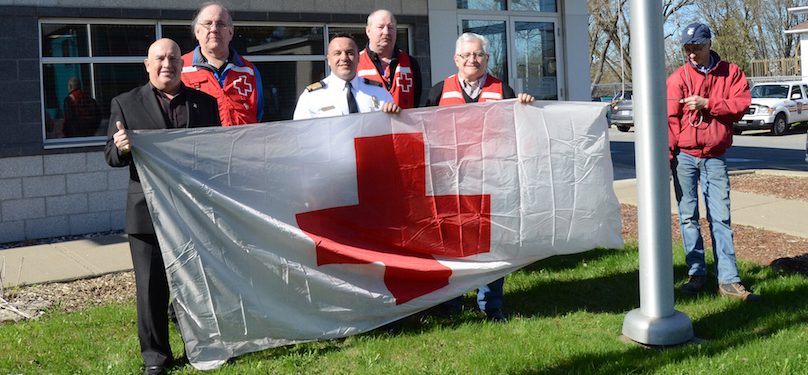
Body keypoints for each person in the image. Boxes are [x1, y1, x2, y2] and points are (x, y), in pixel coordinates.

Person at [105, 38, 221, 375]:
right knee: (150, 289)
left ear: (182, 64)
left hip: (191, 212)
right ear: (147, 64)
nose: (166, 64)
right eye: (159, 58)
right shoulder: (125, 103)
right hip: (146, 214)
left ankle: (204, 345)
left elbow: (213, 155)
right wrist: (122, 147)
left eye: (172, 58)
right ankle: (155, 358)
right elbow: (111, 157)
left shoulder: (205, 104)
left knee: (198, 285)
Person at [424, 32, 534, 322]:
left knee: (492, 244)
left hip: (491, 181)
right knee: (453, 244)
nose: (472, 60)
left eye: (479, 55)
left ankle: (491, 305)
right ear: (456, 59)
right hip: (451, 181)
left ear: (487, 58)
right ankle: (450, 304)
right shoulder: (437, 91)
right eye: (466, 55)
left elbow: (521, 131)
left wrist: (525, 107)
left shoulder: (505, 91)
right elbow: (420, 130)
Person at [666, 22, 758, 301]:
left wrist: (708, 103)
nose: (692, 53)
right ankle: (697, 273)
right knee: (687, 217)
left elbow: (740, 105)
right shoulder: (677, 79)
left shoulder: (731, 73)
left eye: (697, 47)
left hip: (715, 157)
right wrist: (667, 157)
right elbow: (669, 120)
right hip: (684, 158)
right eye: (687, 48)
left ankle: (728, 280)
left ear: (709, 44)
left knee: (720, 217)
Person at [181, 2, 264, 126]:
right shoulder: (180, 68)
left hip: (243, 143)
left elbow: (258, 113)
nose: (214, 29)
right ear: (197, 32)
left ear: (231, 32)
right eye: (208, 24)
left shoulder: (249, 71)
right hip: (201, 144)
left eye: (221, 24)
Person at [293, 34, 401, 119]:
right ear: (329, 60)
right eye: (337, 53)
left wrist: (394, 116)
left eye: (350, 53)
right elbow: (300, 137)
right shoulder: (311, 97)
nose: (344, 58)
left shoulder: (379, 93)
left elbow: (393, 130)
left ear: (358, 58)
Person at [357, 9, 422, 109]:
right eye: (380, 27)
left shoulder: (410, 63)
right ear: (368, 31)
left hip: (403, 123)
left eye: (391, 27)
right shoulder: (356, 63)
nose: (386, 32)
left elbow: (416, 102)